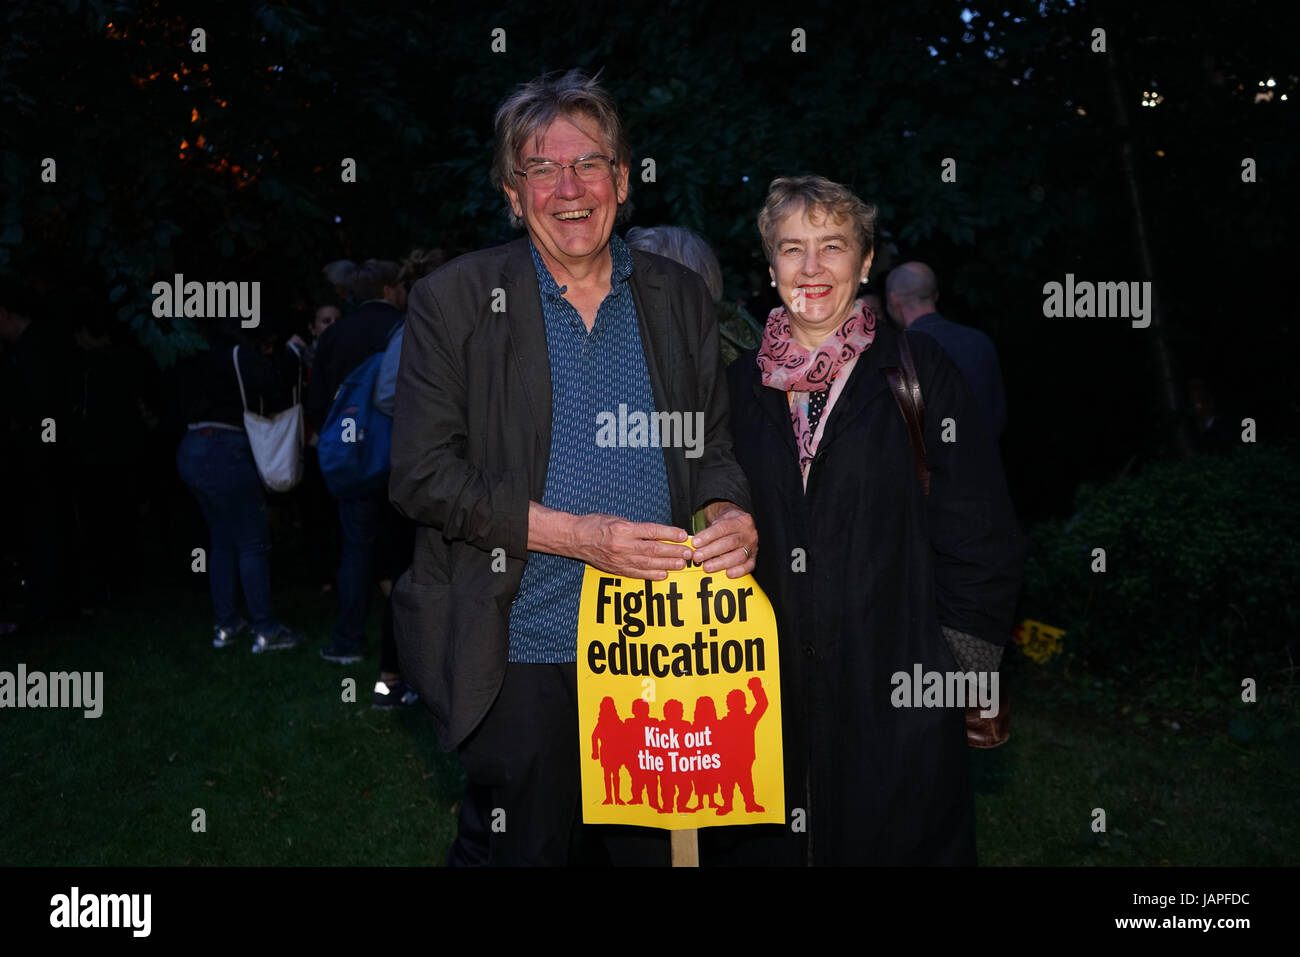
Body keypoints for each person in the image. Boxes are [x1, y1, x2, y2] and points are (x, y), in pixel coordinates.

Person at [388, 69, 756, 866]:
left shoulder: (680, 298)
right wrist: (578, 536)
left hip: (658, 646)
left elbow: (711, 449)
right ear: (512, 194)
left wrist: (726, 511)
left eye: (589, 163)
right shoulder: (455, 300)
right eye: (541, 169)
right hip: (520, 643)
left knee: (651, 858)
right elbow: (419, 473)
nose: (569, 187)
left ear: (622, 179)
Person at [724, 176, 1024, 865]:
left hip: (899, 680)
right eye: (792, 248)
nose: (811, 267)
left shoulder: (917, 369)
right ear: (770, 269)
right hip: (768, 689)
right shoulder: (736, 387)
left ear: (865, 265)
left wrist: (960, 673)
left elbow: (982, 529)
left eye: (833, 246)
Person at [170, 317, 308, 652]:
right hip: (225, 448)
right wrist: (292, 352)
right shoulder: (234, 354)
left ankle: (226, 623)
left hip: (191, 447)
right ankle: (265, 629)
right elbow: (271, 383)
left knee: (222, 540)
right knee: (251, 542)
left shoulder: (186, 353)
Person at [306, 259, 405, 664]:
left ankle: (348, 639)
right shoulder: (407, 327)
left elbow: (316, 403)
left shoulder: (336, 335)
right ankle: (406, 647)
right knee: (404, 554)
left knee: (356, 549)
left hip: (354, 462)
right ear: (387, 291)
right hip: (401, 458)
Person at [885, 261, 1008, 439]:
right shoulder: (978, 341)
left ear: (894, 299)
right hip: (984, 461)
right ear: (935, 295)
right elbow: (998, 416)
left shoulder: (897, 352)